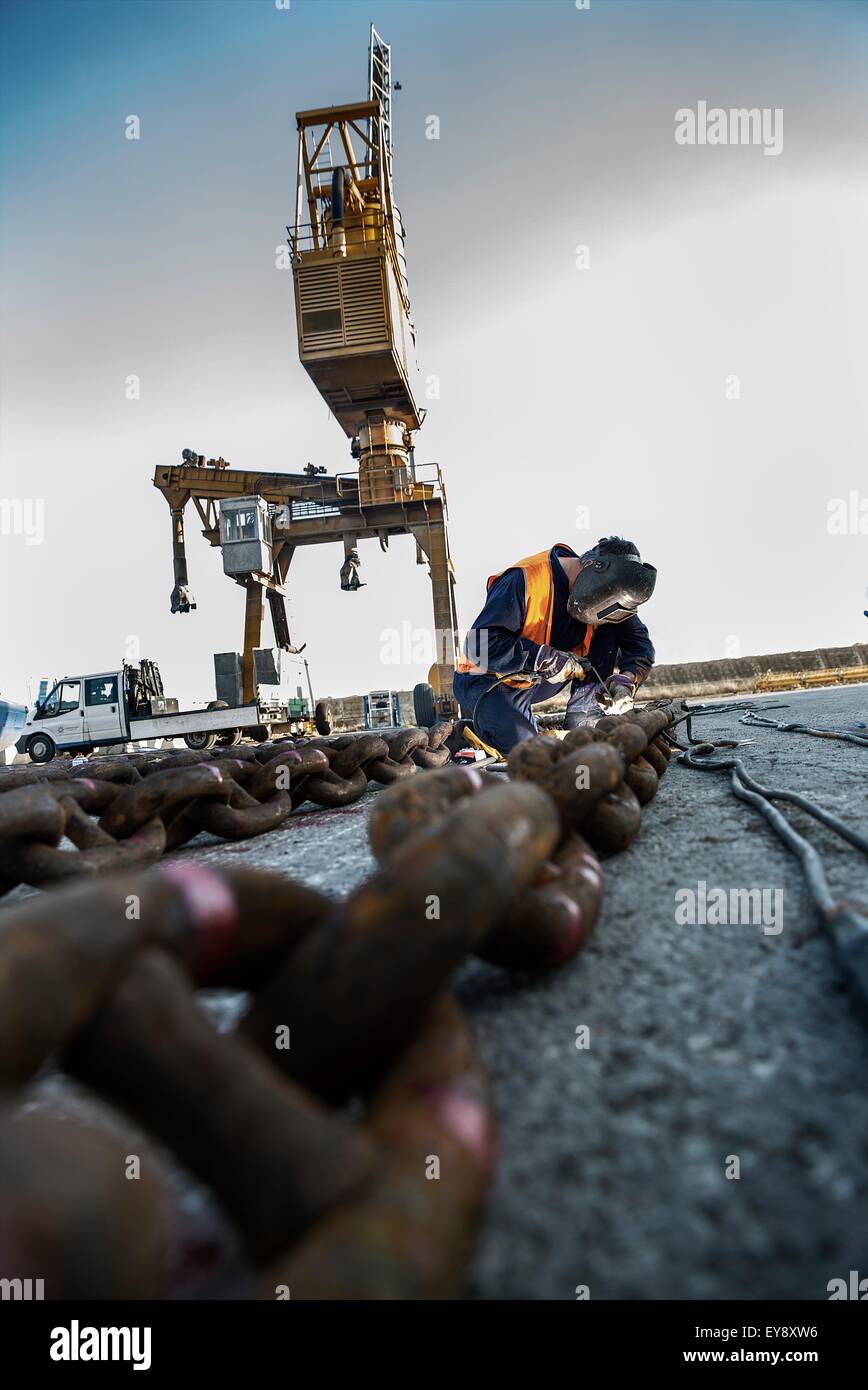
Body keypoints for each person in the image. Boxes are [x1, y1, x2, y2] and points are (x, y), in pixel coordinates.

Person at [454, 536, 657, 753]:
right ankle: (480, 722)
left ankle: (584, 717)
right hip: (488, 680)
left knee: (609, 631)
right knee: (526, 748)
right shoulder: (525, 578)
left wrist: (624, 681)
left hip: (536, 680)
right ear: (590, 565)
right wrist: (541, 657)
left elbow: (639, 646)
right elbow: (479, 646)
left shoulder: (608, 601)